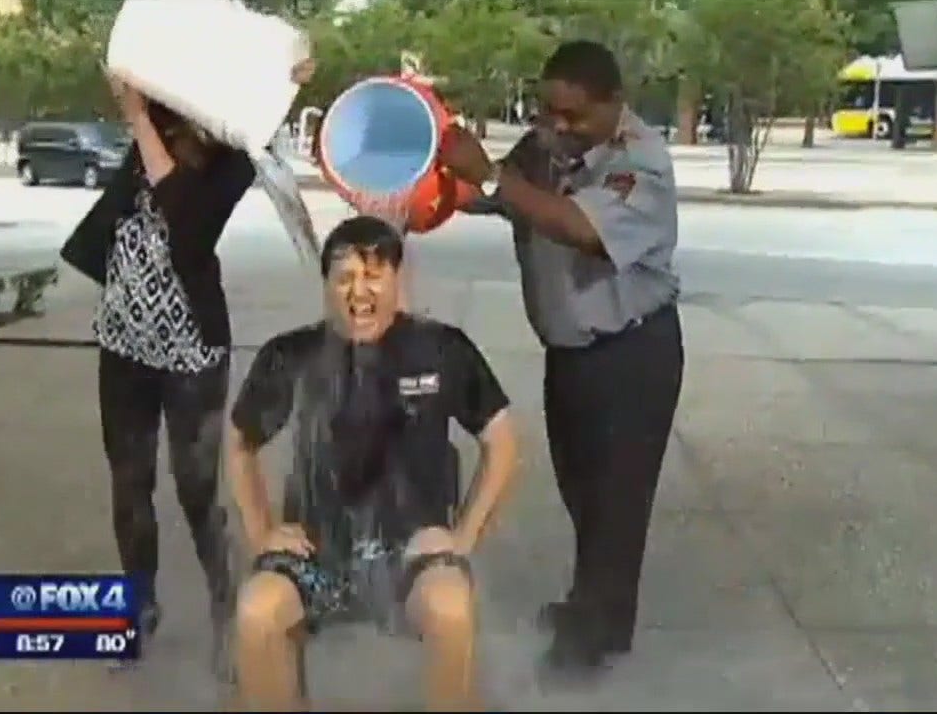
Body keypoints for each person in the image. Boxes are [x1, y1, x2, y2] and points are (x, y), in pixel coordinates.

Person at [60, 60, 316, 677]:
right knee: (129, 487)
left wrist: (286, 83)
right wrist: (139, 102)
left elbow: (182, 215)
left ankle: (228, 614)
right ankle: (137, 608)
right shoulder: (155, 129)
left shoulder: (227, 157)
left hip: (190, 352)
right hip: (123, 345)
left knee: (198, 490)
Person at [439, 40, 685, 677]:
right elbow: (493, 195)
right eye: (548, 111)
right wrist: (429, 185)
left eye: (574, 115)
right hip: (572, 352)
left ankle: (589, 641)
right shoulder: (546, 144)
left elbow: (579, 227)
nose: (557, 127)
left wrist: (494, 176)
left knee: (617, 501)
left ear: (614, 104)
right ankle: (595, 607)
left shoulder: (640, 162)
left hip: (632, 353)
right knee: (584, 492)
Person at [225, 216, 519, 710]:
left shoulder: (442, 349)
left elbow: (504, 442)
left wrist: (464, 537)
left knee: (449, 607)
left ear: (396, 281)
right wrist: (261, 534)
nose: (358, 291)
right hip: (321, 554)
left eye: (373, 276)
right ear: (326, 287)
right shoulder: (290, 356)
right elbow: (238, 442)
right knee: (257, 611)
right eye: (344, 278)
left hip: (411, 554)